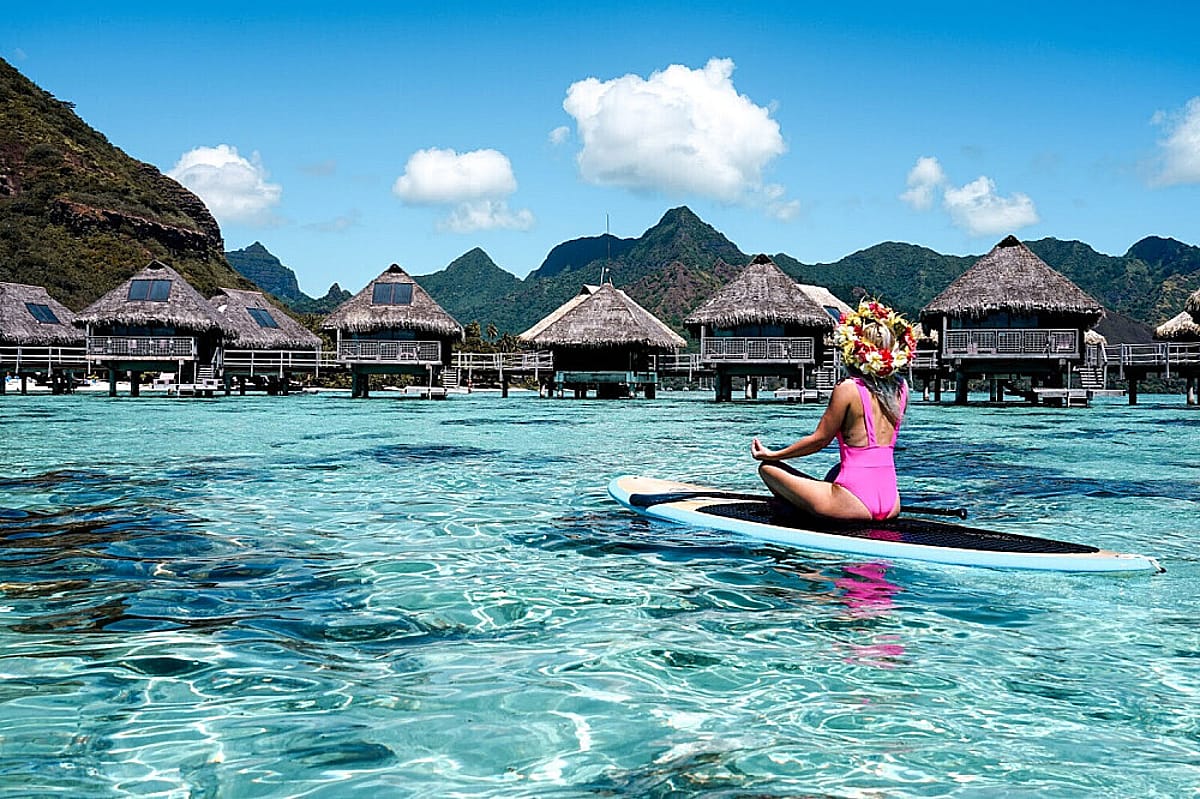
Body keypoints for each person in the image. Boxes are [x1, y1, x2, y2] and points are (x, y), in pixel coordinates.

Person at [751, 300, 916, 521]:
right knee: (839, 468)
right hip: (891, 502)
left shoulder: (847, 388)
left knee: (768, 469)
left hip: (853, 503)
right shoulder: (901, 388)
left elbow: (819, 441)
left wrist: (772, 454)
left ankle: (801, 511)